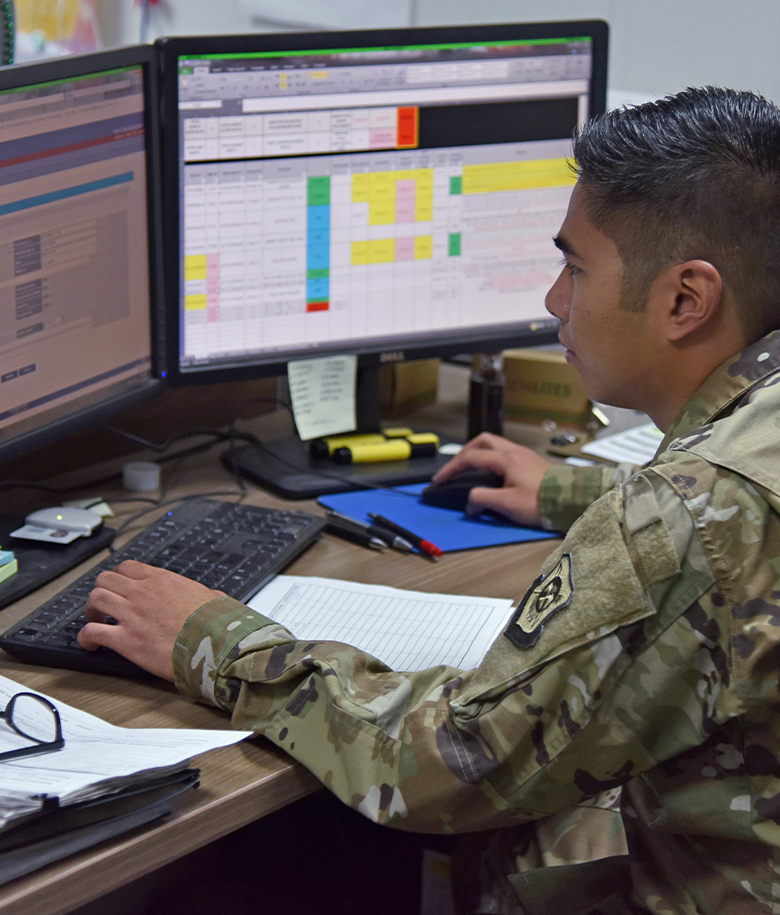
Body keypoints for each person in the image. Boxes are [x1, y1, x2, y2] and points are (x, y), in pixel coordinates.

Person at [78, 86, 780, 914]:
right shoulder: (722, 485)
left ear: (684, 300)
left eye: (575, 267)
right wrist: (572, 489)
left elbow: (452, 762)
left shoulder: (686, 517)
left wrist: (219, 646)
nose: (556, 301)